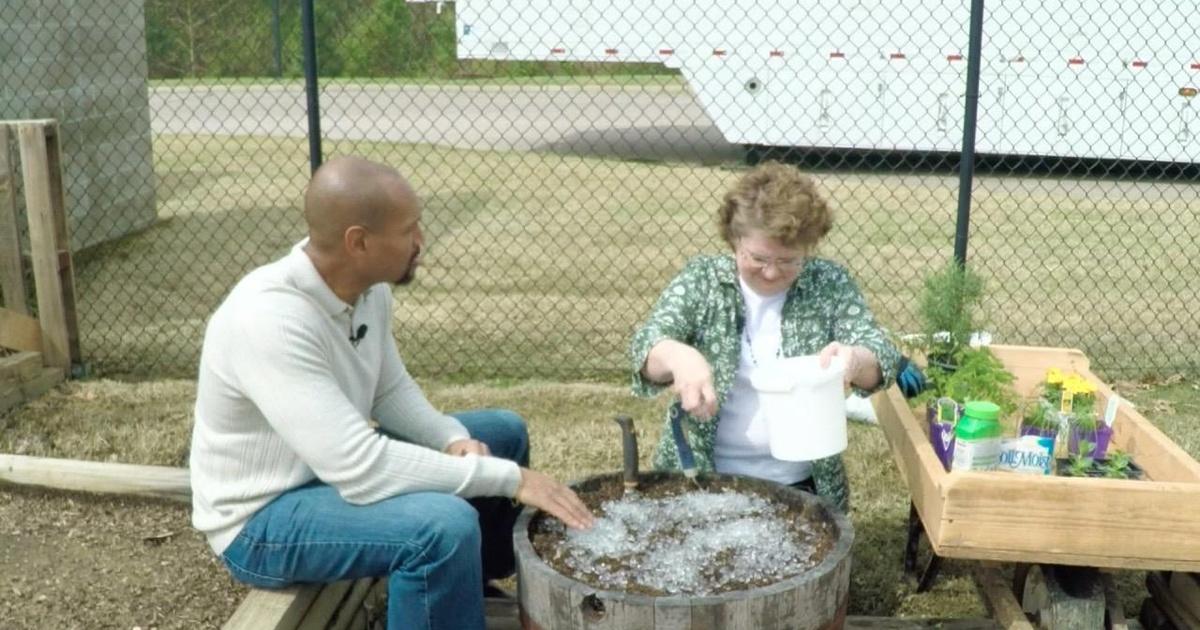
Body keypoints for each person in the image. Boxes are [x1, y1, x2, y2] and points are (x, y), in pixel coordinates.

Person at [189, 156, 593, 630]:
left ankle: (460, 592)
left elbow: (389, 389)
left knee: (500, 432)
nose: (421, 242)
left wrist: (449, 438)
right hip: (263, 521)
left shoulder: (365, 288)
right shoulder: (268, 321)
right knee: (442, 528)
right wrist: (511, 480)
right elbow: (358, 468)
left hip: (327, 473)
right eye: (408, 230)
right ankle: (443, 583)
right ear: (358, 242)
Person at [629, 162, 901, 511]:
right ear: (734, 239)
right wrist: (678, 356)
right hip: (703, 477)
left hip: (802, 482)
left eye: (789, 261)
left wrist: (853, 360)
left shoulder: (828, 284)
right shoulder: (703, 281)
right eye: (757, 258)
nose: (772, 273)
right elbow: (645, 347)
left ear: (809, 248)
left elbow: (881, 354)